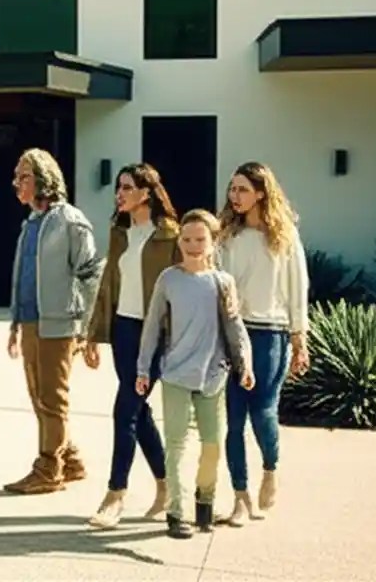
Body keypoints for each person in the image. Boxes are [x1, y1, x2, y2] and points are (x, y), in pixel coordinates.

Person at [136, 209, 255, 540]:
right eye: (186, 239)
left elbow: (235, 327)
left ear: (213, 242)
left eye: (200, 239)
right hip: (175, 374)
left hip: (213, 376)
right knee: (175, 445)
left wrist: (245, 364)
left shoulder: (223, 283)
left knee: (212, 444)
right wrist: (143, 369)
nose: (192, 245)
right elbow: (152, 328)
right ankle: (176, 513)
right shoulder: (168, 280)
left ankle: (205, 501)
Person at [5, 147, 106, 495]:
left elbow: (90, 276)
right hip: (32, 322)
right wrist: (15, 324)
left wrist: (88, 329)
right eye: (16, 176)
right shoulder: (31, 224)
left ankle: (48, 469)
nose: (16, 183)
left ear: (44, 180)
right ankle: (70, 461)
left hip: (59, 324)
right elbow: (24, 277)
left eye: (24, 176)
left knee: (52, 399)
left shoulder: (70, 221)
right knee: (40, 396)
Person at [86, 164, 181, 529]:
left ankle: (115, 495)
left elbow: (181, 291)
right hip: (123, 330)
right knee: (138, 412)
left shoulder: (170, 235)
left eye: (127, 187)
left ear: (147, 192)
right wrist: (93, 334)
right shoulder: (120, 233)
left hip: (153, 333)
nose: (120, 194)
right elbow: (107, 284)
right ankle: (167, 487)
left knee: (125, 409)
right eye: (118, 187)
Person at [215, 161, 310, 525]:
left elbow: (298, 288)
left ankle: (271, 468)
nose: (234, 196)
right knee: (234, 420)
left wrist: (299, 339)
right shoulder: (226, 235)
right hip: (232, 331)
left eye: (242, 189)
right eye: (232, 189)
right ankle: (241, 498)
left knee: (263, 411)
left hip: (271, 332)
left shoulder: (283, 236)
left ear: (260, 193)